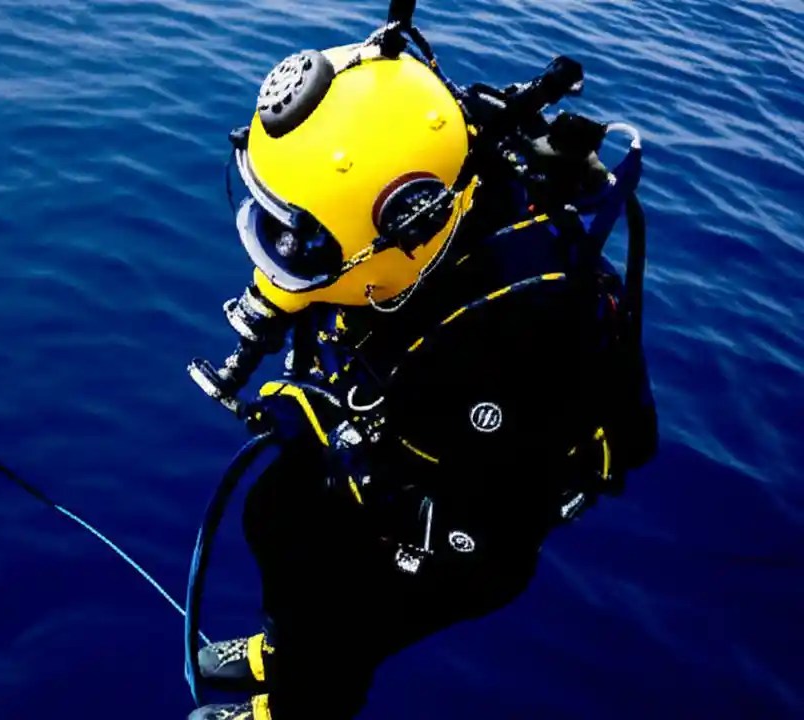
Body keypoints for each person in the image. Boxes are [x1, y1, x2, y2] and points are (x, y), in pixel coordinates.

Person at [184, 7, 658, 720]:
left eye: (302, 240)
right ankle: (284, 650)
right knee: (274, 515)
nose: (278, 256)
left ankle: (300, 703)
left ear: (403, 228)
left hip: (456, 540)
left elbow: (479, 510)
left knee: (338, 625)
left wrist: (332, 436)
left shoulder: (509, 331)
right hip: (395, 448)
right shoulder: (440, 196)